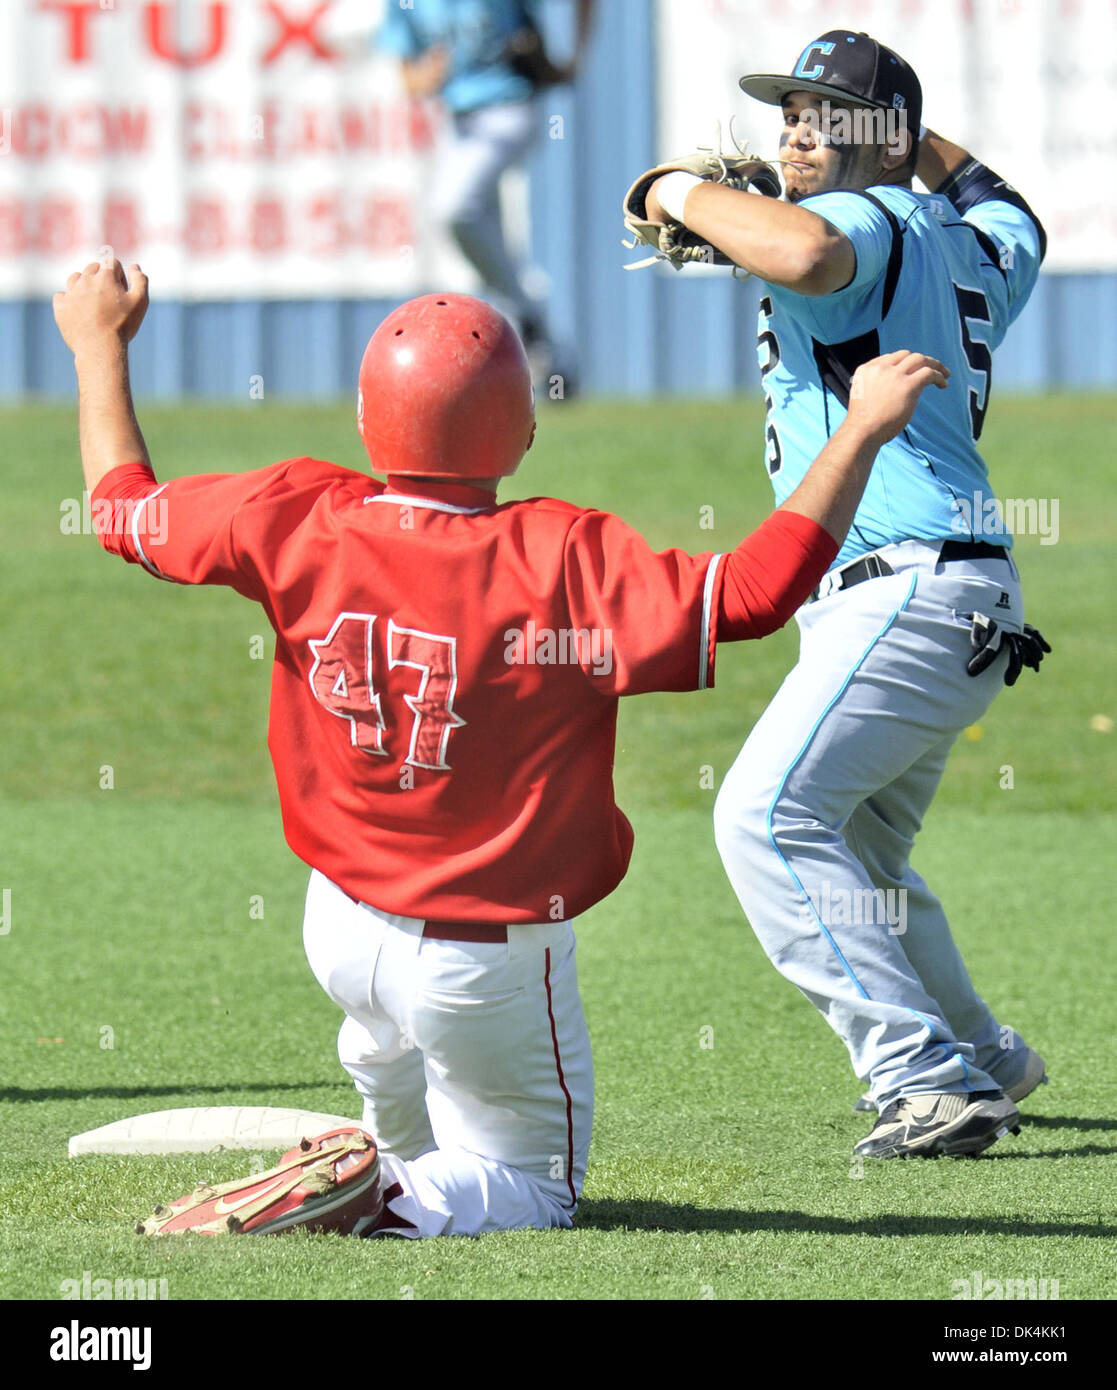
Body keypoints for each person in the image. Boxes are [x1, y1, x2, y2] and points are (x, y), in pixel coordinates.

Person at [52, 258, 946, 1234]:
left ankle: (374, 1169)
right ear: (521, 429)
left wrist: (99, 346)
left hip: (339, 922)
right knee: (532, 1189)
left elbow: (118, 508)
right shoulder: (561, 557)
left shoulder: (291, 513)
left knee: (398, 1098)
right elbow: (750, 594)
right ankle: (374, 1194)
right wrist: (859, 428)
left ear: (365, 418)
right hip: (481, 955)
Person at [638, 29, 1050, 1160]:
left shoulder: (866, 220)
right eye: (791, 111)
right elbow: (1010, 206)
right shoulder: (978, 243)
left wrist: (667, 187)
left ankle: (922, 1077)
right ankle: (984, 1054)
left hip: (904, 595)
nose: (798, 131)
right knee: (860, 859)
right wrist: (919, 149)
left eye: (829, 112)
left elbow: (811, 256)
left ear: (887, 141)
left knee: (764, 816)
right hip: (959, 600)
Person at [379, 0, 595, 382]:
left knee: (453, 208)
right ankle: (546, 352)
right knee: (480, 233)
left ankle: (526, 312)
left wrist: (576, 54)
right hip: (460, 125)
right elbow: (408, 79)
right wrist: (426, 77)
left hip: (510, 109)